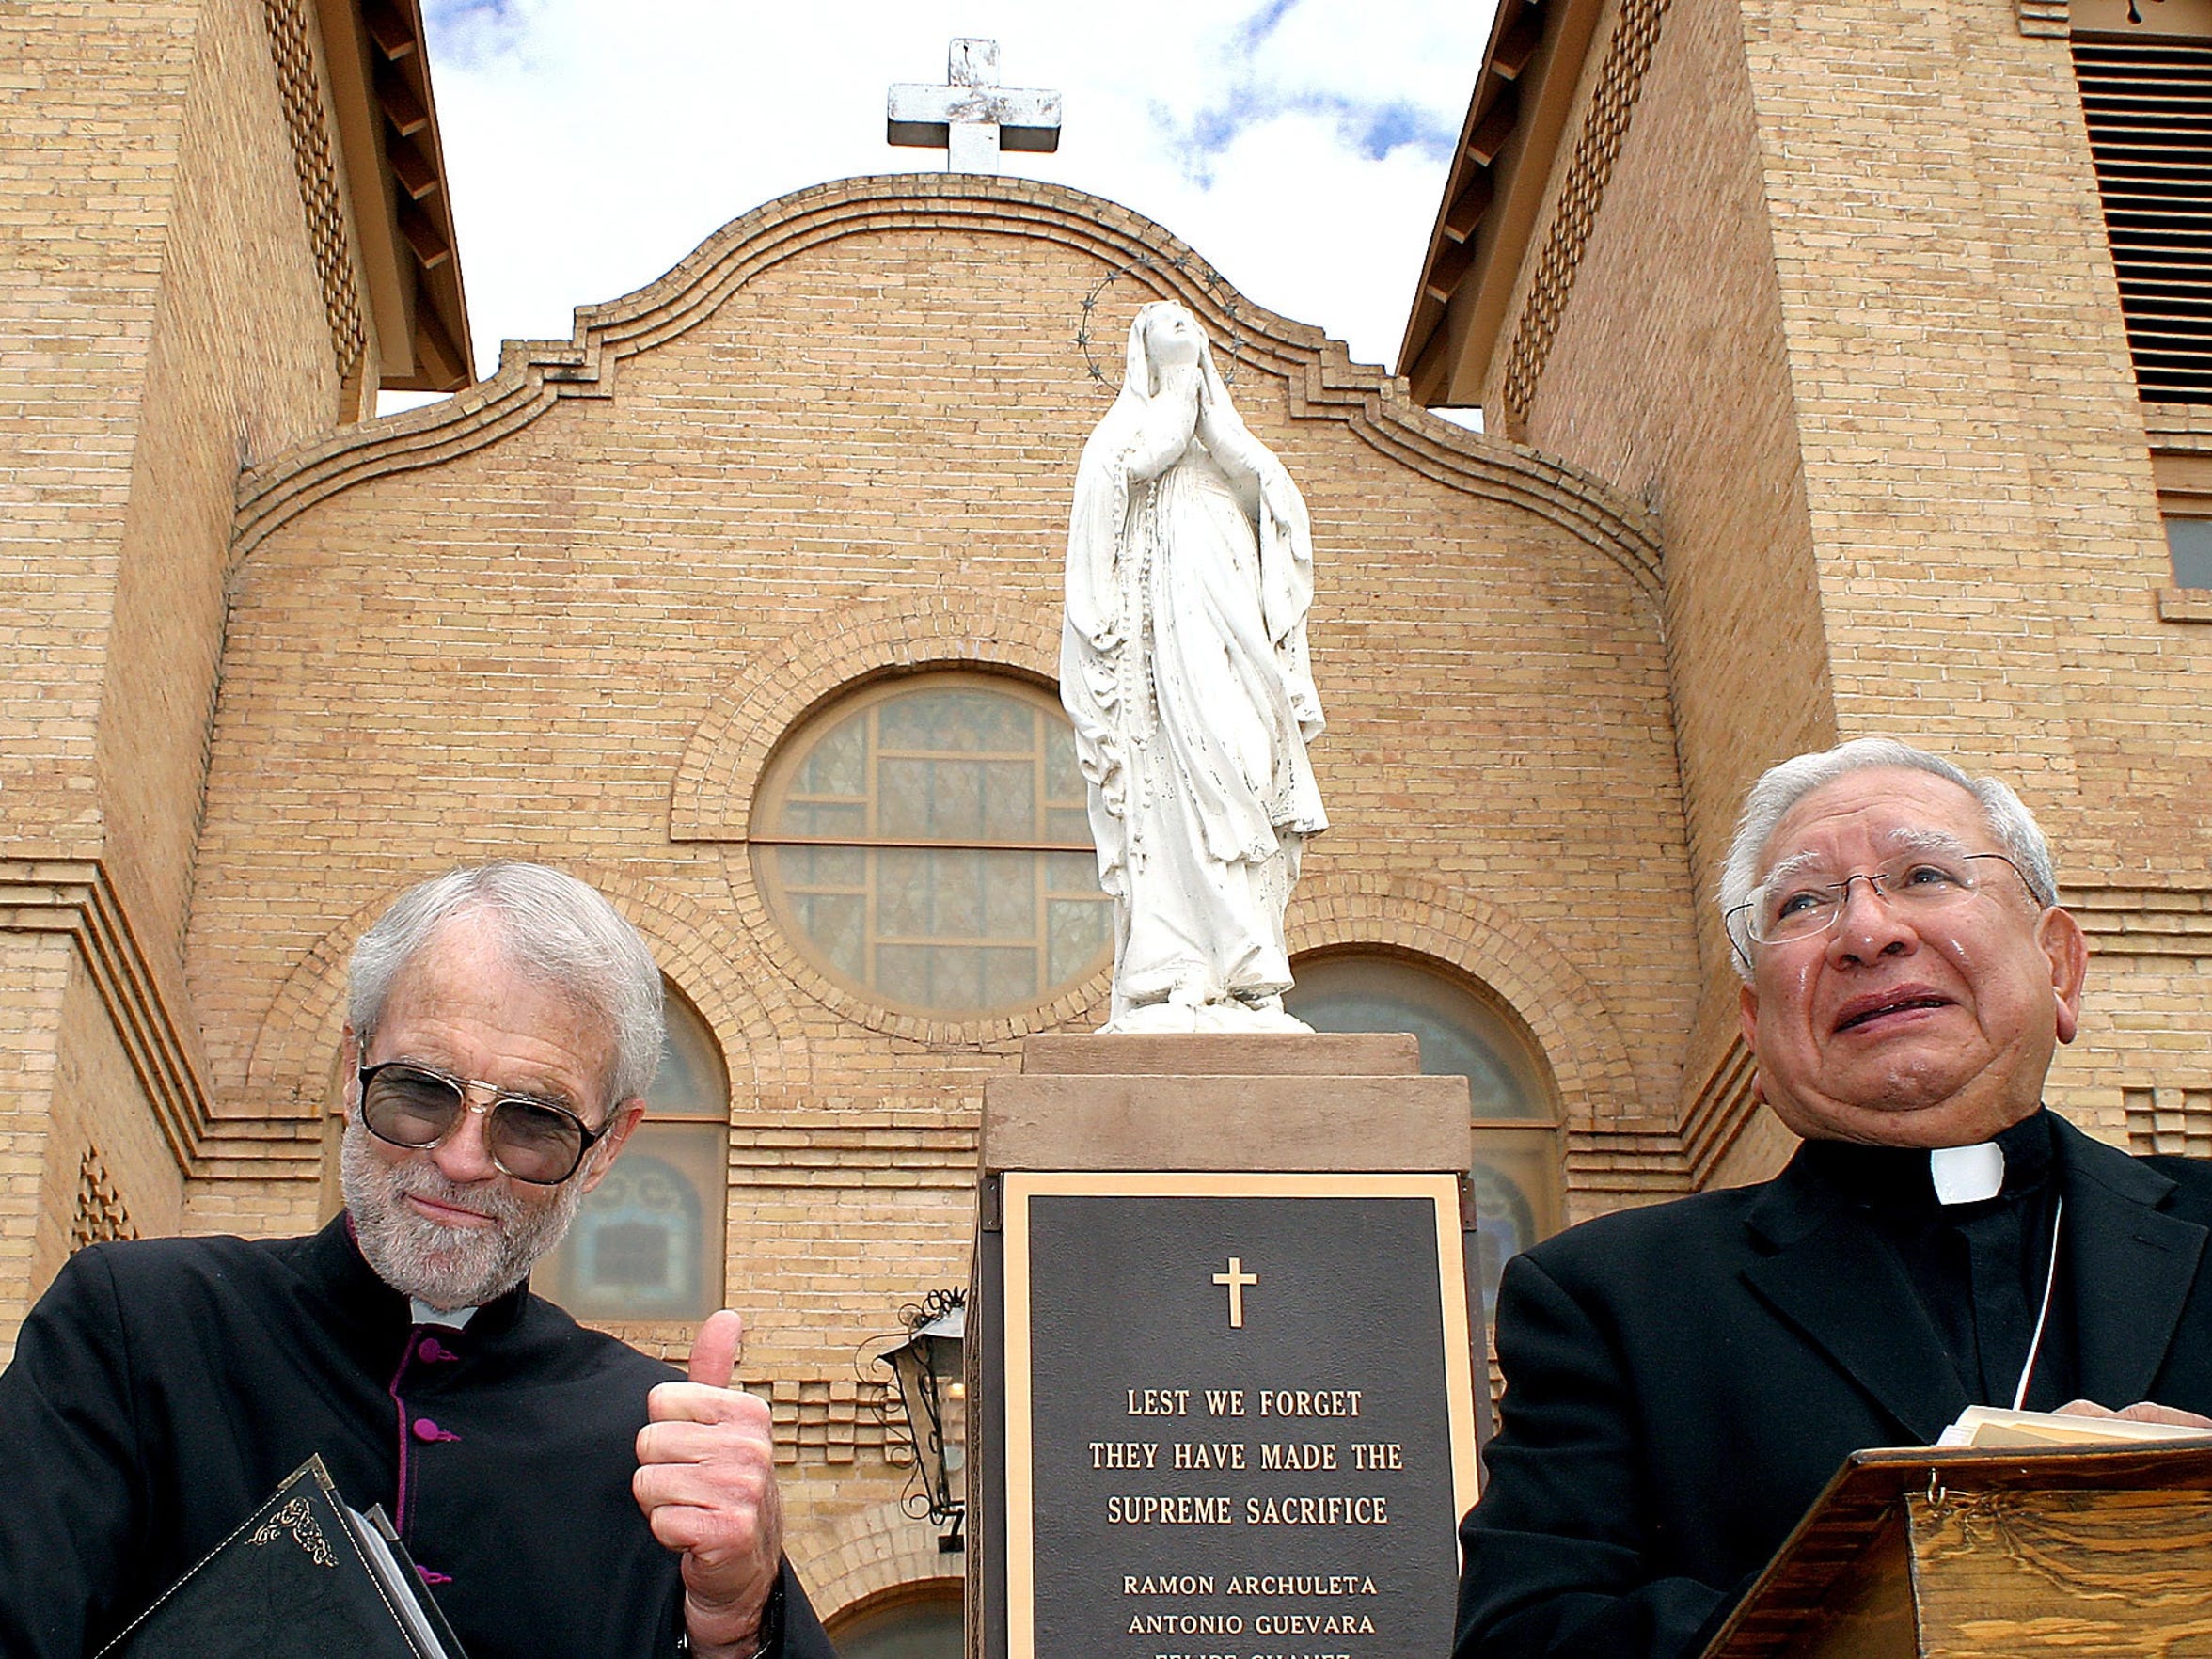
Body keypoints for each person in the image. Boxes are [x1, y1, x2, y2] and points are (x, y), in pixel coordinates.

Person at [1455, 738, 2212, 1659]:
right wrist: (1890, 1594)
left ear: (2060, 963)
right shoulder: (1616, 1298)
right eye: (1804, 902)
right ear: (1755, 1029)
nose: (1869, 932)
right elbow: (1527, 1638)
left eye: (1924, 873)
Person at [0, 862, 835, 1659]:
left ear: (608, 1145)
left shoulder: (654, 1443)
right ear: (350, 1069)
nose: (463, 1160)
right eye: (419, 1092)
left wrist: (735, 1624)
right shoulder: (136, 1328)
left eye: (531, 1123)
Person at [1061, 300, 1329, 1030]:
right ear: (1140, 350)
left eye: (1192, 324)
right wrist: (1173, 414)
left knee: (1246, 760)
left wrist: (1219, 435)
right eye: (1167, 325)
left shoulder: (1228, 444)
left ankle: (1250, 958)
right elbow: (1106, 504)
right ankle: (1177, 959)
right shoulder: (1123, 435)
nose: (1187, 333)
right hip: (1159, 657)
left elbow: (1281, 517)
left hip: (1233, 636)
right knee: (1173, 785)